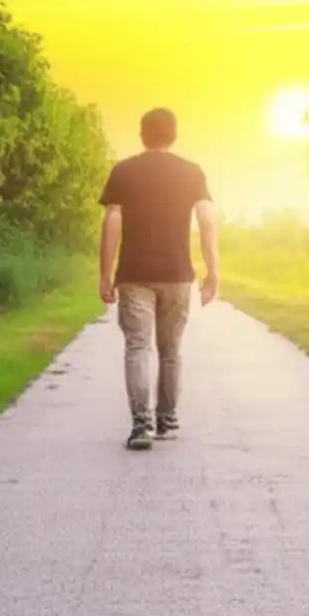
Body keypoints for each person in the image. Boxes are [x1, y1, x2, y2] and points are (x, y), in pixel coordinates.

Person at [98, 108, 219, 450]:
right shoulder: (191, 172)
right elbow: (207, 220)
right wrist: (213, 271)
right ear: (174, 135)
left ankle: (141, 424)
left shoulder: (124, 171)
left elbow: (112, 222)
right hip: (178, 275)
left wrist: (105, 274)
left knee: (137, 346)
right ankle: (167, 417)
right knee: (170, 349)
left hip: (134, 275)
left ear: (142, 135)